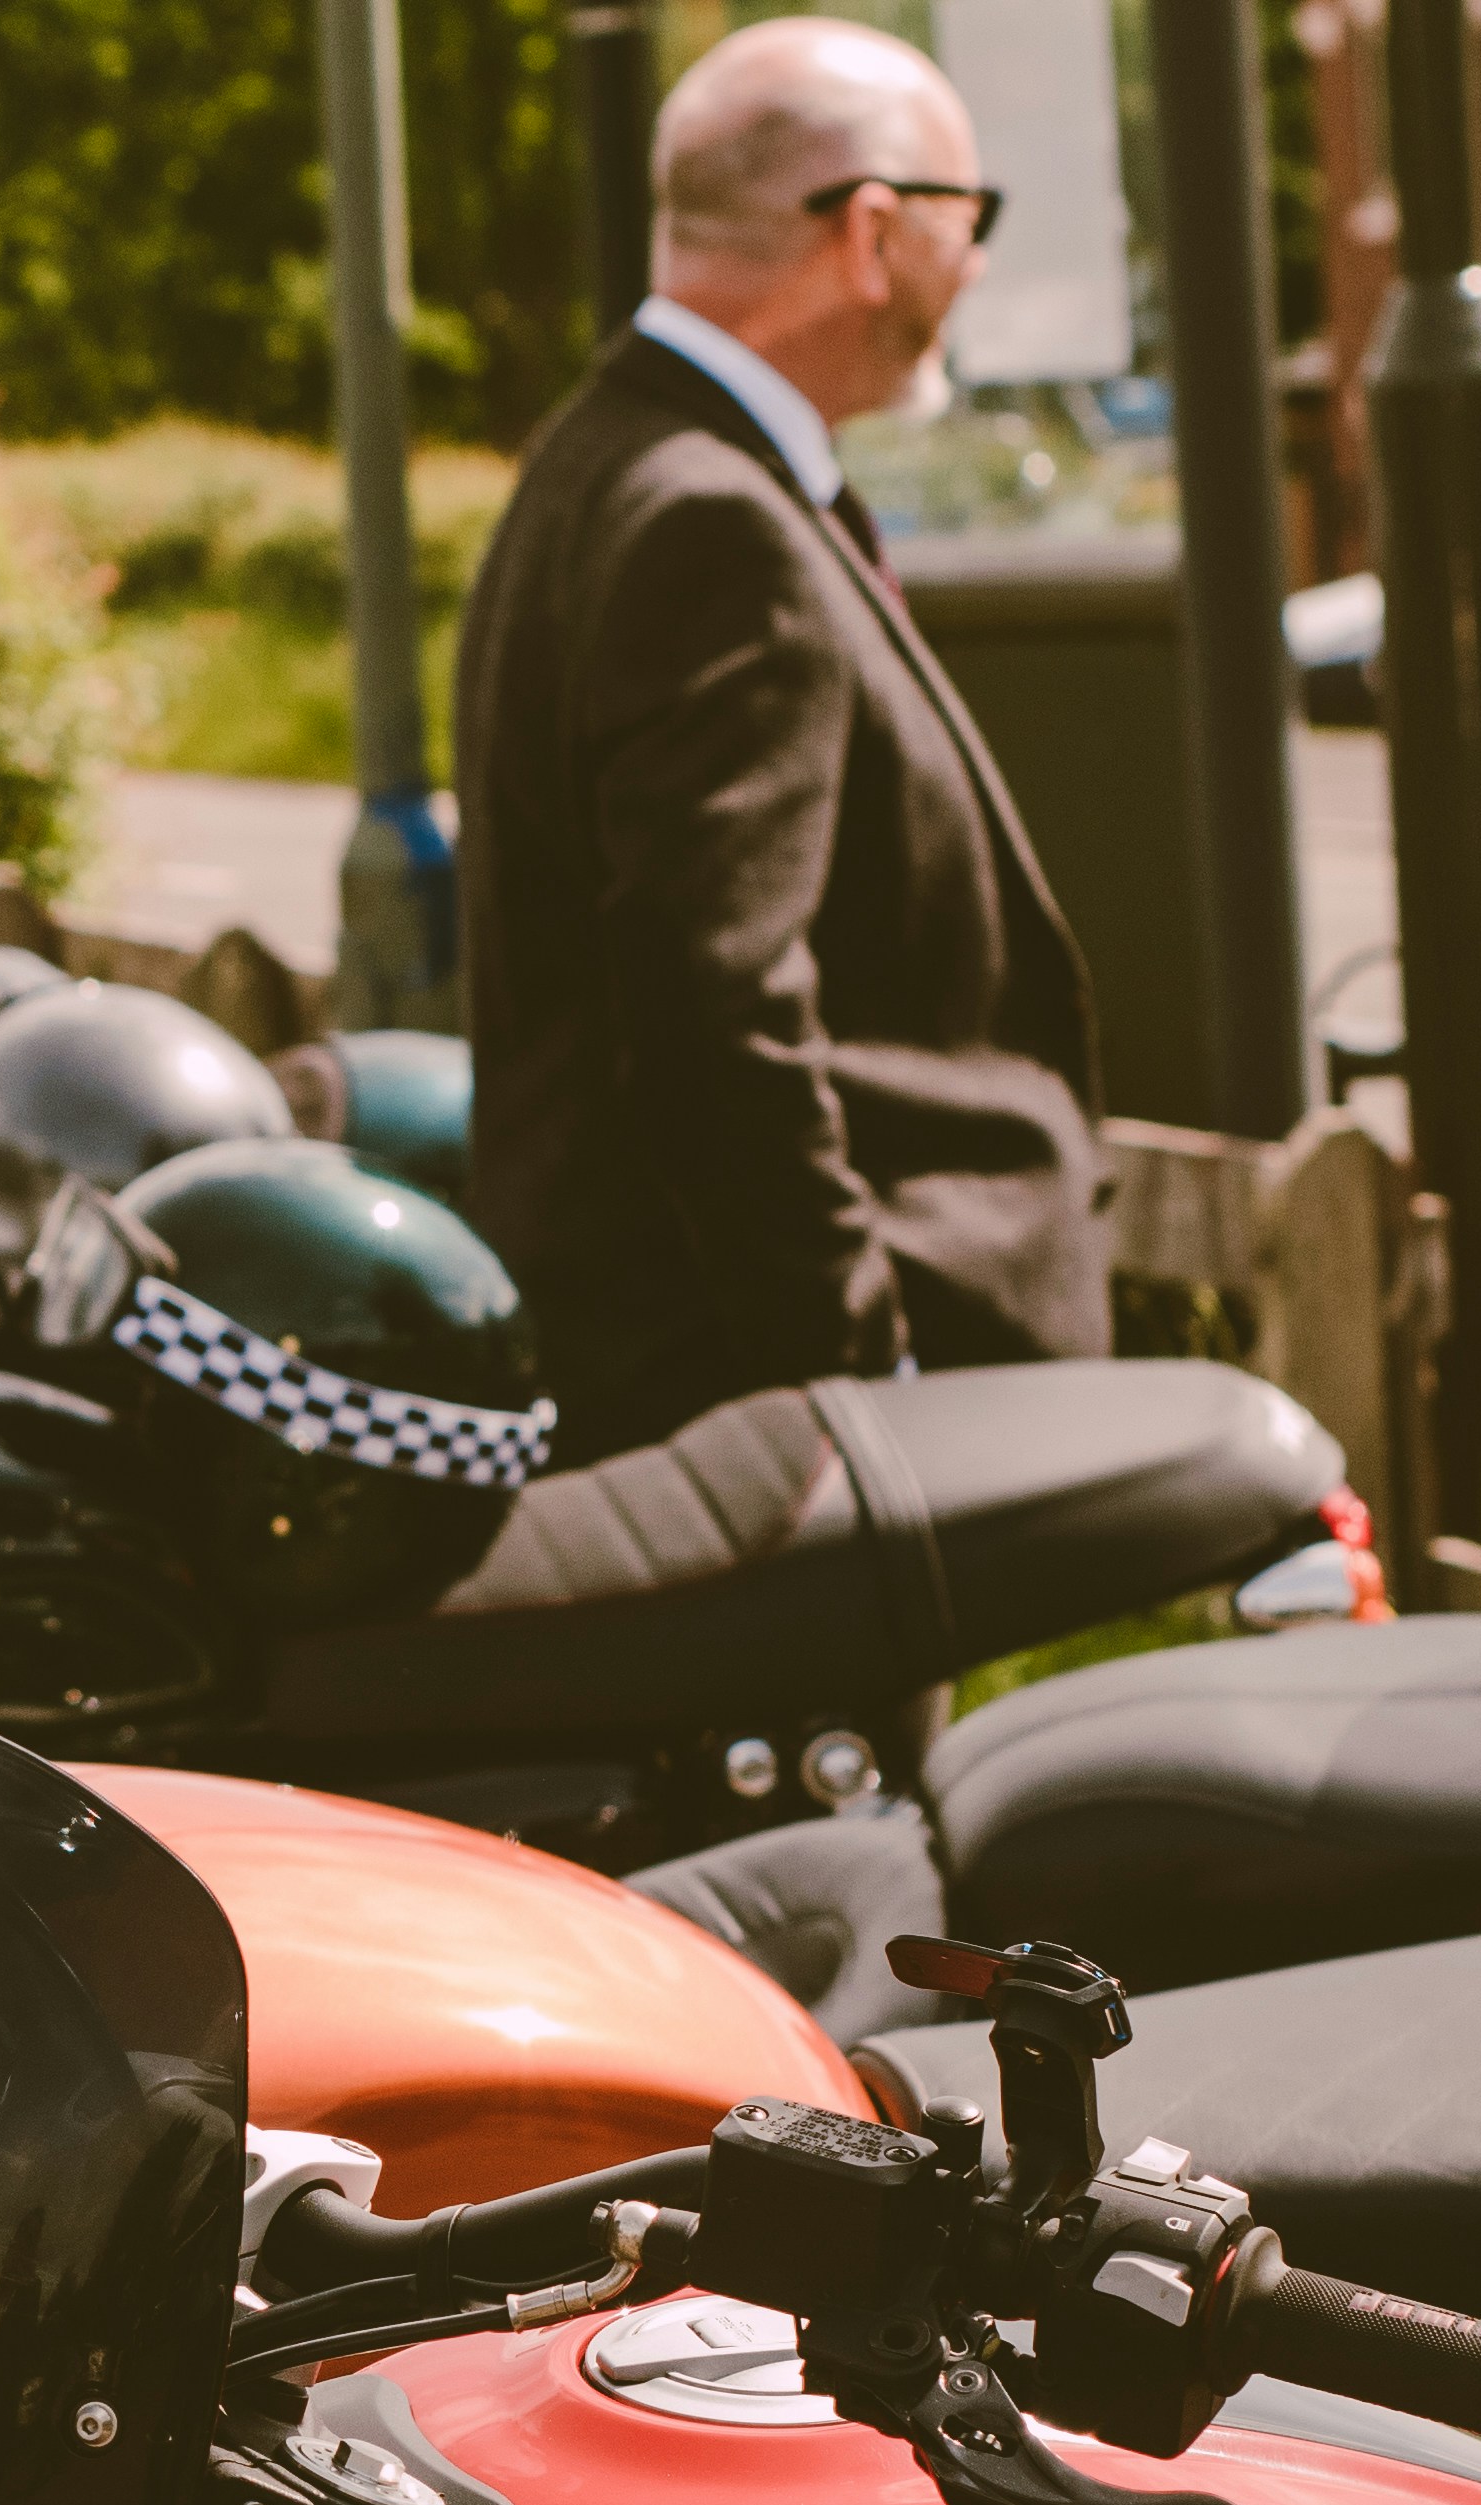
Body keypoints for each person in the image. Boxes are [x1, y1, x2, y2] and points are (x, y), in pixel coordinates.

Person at [451, 16, 1100, 1466]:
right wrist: (858, 1355)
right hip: (771, 1414)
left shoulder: (599, 456)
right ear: (872, 231)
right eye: (965, 216)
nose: (975, 262)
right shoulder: (712, 518)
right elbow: (714, 1001)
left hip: (684, 1379)